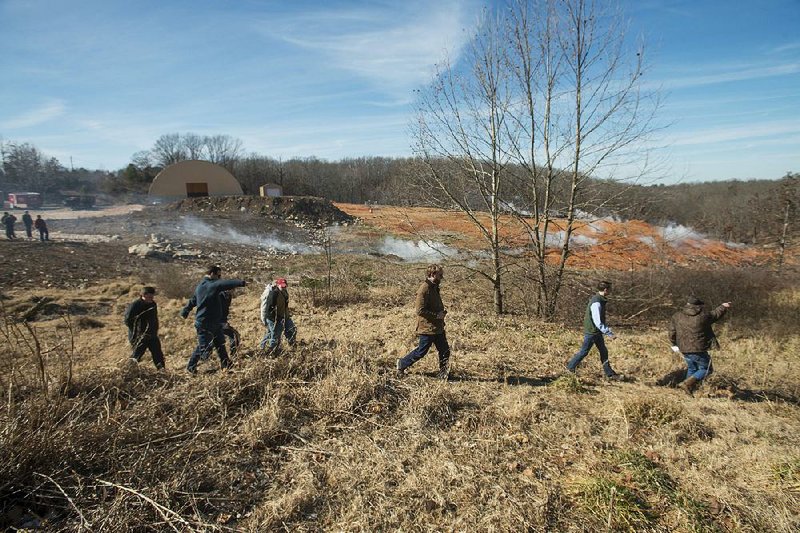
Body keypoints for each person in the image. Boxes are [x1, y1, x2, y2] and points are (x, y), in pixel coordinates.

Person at [181, 265, 246, 374]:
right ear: (212, 274)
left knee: (220, 344)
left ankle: (226, 364)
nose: (220, 278)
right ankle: (190, 367)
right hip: (205, 323)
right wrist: (242, 283)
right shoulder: (209, 285)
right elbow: (222, 284)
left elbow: (193, 300)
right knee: (204, 349)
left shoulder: (203, 286)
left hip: (215, 323)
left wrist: (186, 310)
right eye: (218, 275)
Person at [396, 264, 450, 380]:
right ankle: (401, 364)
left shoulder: (434, 287)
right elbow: (420, 310)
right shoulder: (424, 289)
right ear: (432, 274)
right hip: (427, 328)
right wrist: (437, 315)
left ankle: (444, 374)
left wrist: (441, 314)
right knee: (421, 351)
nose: (442, 277)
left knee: (445, 350)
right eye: (440, 275)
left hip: (437, 327)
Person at [669, 296, 731, 395]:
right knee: (707, 369)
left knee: (692, 368)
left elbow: (672, 332)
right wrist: (723, 306)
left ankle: (687, 391)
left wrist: (674, 344)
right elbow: (715, 315)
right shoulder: (703, 316)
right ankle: (686, 384)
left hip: (683, 348)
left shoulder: (677, 316)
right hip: (698, 348)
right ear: (698, 306)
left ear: (687, 305)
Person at [566, 280, 623, 380]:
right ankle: (570, 368)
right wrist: (609, 332)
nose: (611, 290)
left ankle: (610, 374)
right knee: (584, 352)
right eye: (610, 289)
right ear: (606, 290)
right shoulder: (597, 302)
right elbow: (597, 322)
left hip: (596, 332)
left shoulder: (599, 299)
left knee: (603, 352)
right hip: (592, 332)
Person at [124, 286, 165, 370]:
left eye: (152, 296)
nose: (151, 298)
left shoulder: (153, 304)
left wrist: (155, 329)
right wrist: (138, 332)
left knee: (158, 355)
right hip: (139, 336)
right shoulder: (134, 305)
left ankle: (162, 371)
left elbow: (154, 318)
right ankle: (128, 371)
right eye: (149, 296)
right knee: (137, 355)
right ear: (143, 295)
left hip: (152, 335)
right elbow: (128, 320)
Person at [259, 278, 297, 353]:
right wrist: (269, 320)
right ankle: (269, 350)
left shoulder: (285, 292)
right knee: (274, 334)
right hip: (274, 318)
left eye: (284, 286)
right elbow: (267, 308)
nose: (283, 287)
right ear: (277, 285)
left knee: (291, 329)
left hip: (284, 316)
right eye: (281, 286)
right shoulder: (273, 293)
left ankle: (292, 345)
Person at [219, 289, 241, 358]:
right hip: (216, 322)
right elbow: (217, 311)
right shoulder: (219, 296)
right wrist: (222, 323)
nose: (233, 291)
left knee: (234, 335)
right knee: (234, 335)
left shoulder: (228, 296)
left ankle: (233, 354)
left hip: (222, 321)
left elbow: (225, 310)